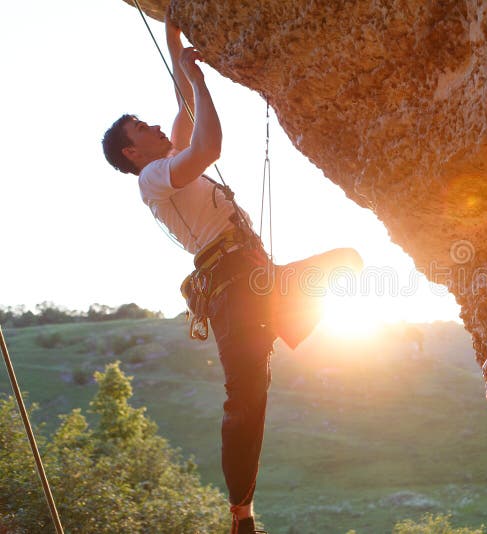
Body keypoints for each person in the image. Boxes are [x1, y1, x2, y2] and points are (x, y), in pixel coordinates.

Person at [101, 15, 271, 534]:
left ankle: (293, 318)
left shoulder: (166, 160)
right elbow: (208, 146)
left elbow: (185, 111)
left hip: (253, 276)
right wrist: (197, 77)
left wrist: (175, 44)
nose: (155, 127)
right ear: (134, 152)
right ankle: (240, 514)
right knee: (247, 393)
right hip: (233, 284)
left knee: (344, 263)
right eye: (142, 130)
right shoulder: (154, 178)